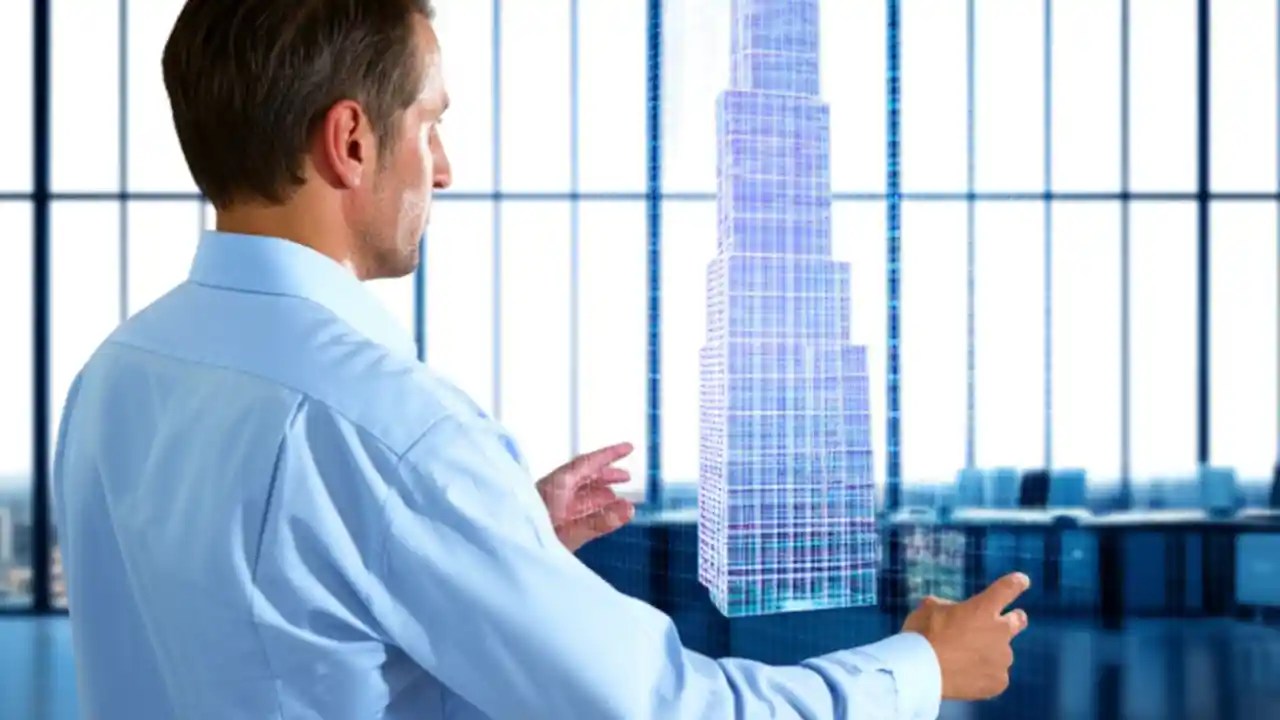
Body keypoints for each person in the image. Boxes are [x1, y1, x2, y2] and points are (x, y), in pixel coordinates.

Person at [51, 1, 1029, 718]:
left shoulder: (113, 377)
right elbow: (662, 711)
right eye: (429, 124)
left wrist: (494, 543)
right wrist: (920, 668)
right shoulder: (392, 432)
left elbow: (256, 631)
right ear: (350, 139)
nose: (442, 168)